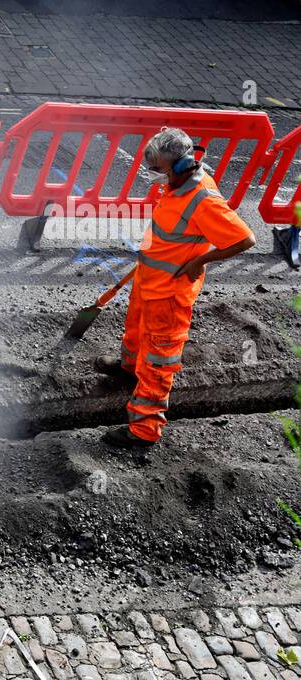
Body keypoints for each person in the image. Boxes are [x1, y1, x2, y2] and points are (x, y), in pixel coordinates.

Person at [97, 127, 255, 448]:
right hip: (148, 279)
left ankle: (144, 430)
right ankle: (130, 369)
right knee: (136, 332)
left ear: (181, 166)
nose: (154, 174)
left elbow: (245, 239)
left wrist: (199, 262)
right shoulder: (177, 185)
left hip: (169, 294)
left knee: (159, 359)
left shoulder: (204, 201)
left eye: (158, 169)